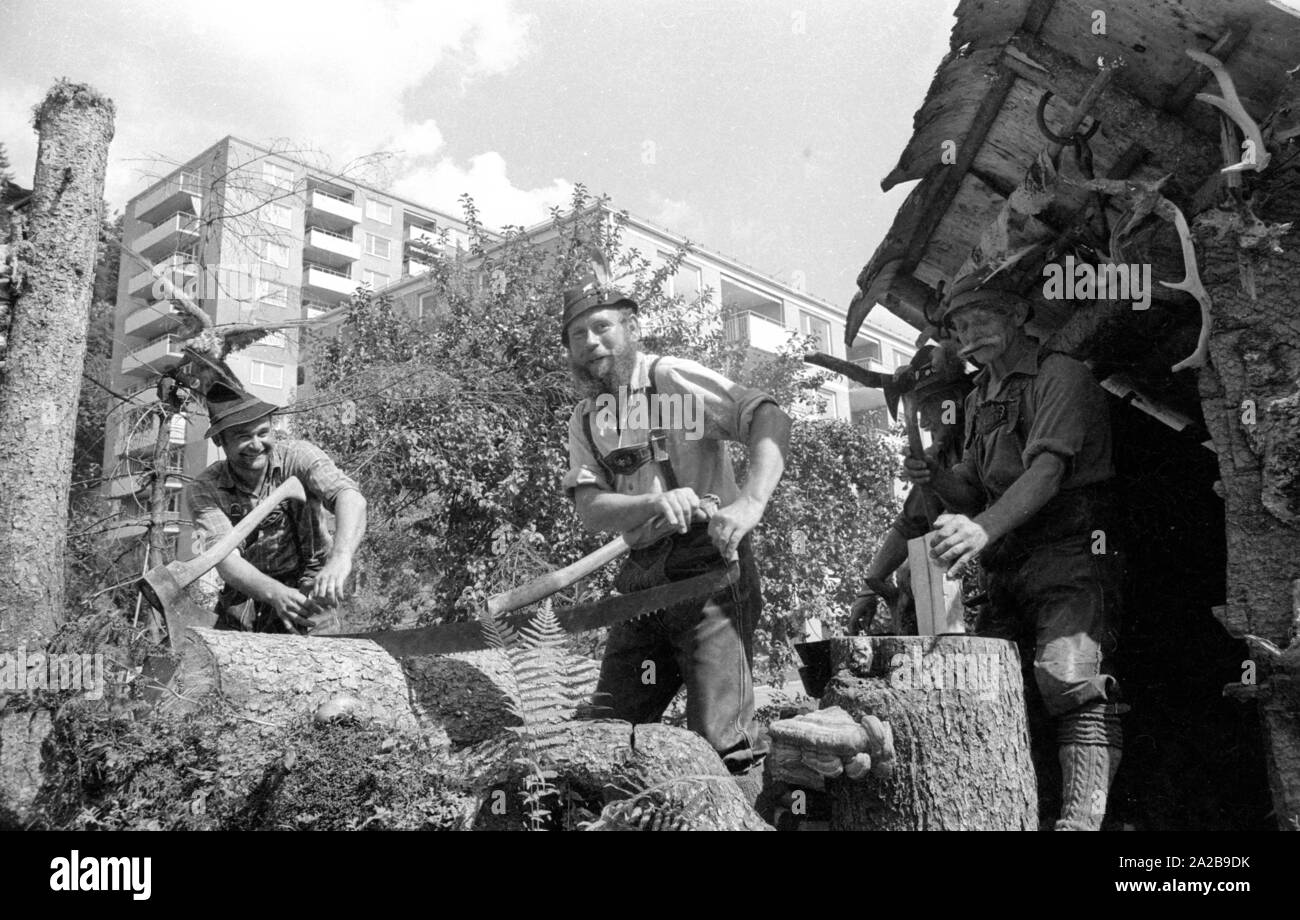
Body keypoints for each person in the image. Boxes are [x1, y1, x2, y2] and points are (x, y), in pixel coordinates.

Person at [559, 259, 791, 797]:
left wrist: (750, 503)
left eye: (602, 326)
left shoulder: (669, 383)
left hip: (707, 571)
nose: (590, 342)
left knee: (722, 743)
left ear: (632, 328)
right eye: (577, 334)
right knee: (609, 737)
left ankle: (755, 813)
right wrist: (653, 503)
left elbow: (769, 417)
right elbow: (591, 508)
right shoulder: (587, 419)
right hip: (641, 581)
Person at [901, 271, 1123, 831]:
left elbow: (1047, 471)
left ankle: (1081, 823)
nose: (968, 336)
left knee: (1068, 677)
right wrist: (935, 479)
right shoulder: (980, 398)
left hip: (1071, 551)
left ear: (1019, 316)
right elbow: (972, 488)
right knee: (997, 688)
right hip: (1010, 564)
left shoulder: (1061, 375)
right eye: (958, 328)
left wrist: (981, 530)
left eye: (980, 320)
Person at [183, 387, 367, 634]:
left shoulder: (299, 456)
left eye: (263, 433)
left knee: (323, 656)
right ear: (219, 440)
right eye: (242, 437)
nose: (256, 445)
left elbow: (351, 498)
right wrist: (275, 593)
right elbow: (225, 559)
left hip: (310, 587)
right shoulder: (205, 489)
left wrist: (340, 557)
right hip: (247, 592)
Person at [848, 343, 972, 636]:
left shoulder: (977, 440)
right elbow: (910, 524)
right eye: (920, 413)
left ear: (955, 401)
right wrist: (870, 587)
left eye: (929, 410)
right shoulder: (941, 455)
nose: (925, 423)